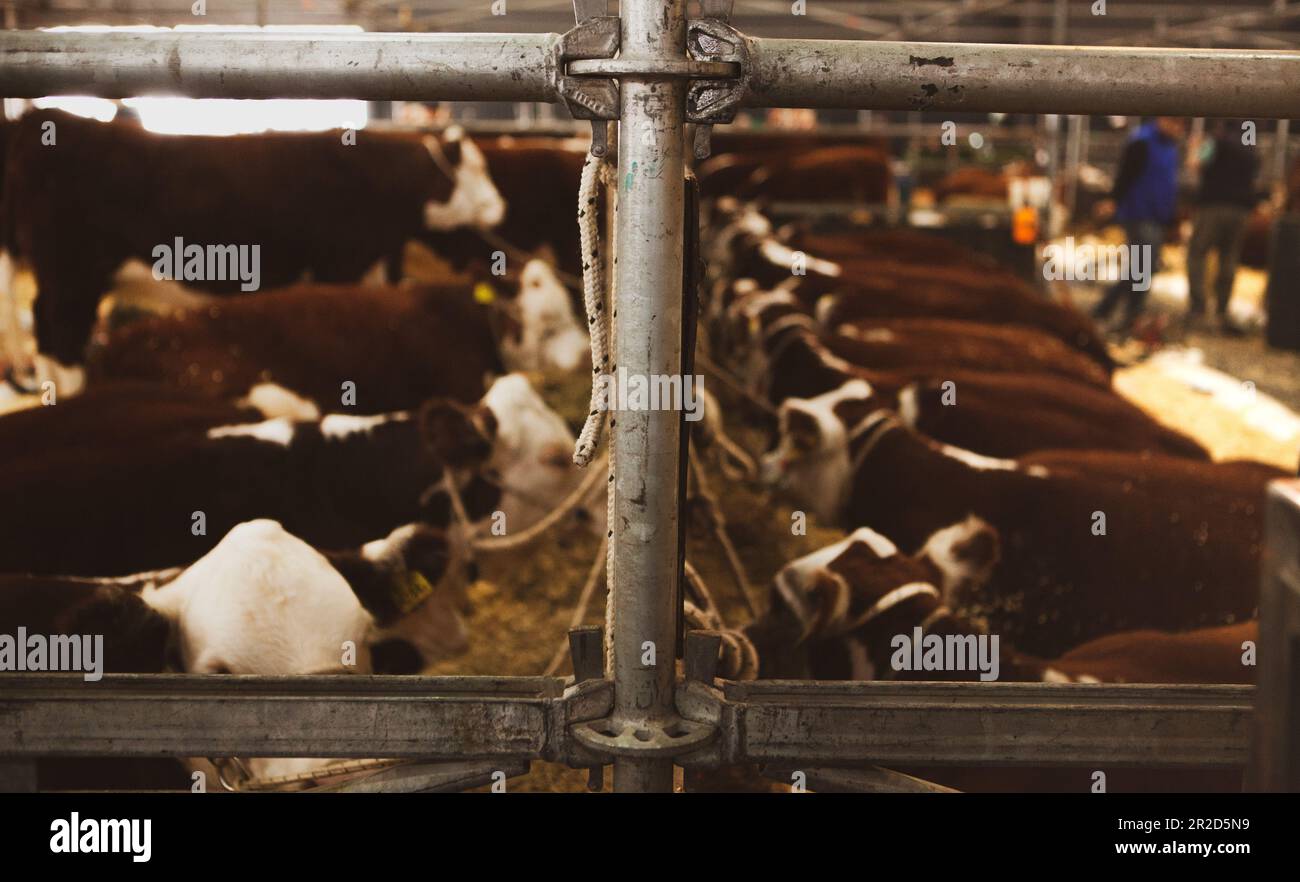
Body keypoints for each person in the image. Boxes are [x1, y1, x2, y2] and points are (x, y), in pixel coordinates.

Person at [1092, 117, 1186, 333]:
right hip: (1138, 213)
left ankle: (1107, 312)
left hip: (1156, 216)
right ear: (1162, 120)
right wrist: (1113, 200)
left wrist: (1171, 219)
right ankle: (1127, 316)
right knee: (1144, 268)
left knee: (1140, 268)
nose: (1178, 128)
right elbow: (1126, 174)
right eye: (1176, 123)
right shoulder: (1142, 142)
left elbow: (1167, 185)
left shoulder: (1169, 147)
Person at [1185, 120, 1260, 335]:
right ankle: (1221, 311)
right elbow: (1255, 173)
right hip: (1240, 210)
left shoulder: (1214, 142)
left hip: (1213, 206)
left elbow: (1195, 165)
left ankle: (1198, 309)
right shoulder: (1249, 146)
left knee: (1197, 253)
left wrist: (1193, 148)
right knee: (1229, 258)